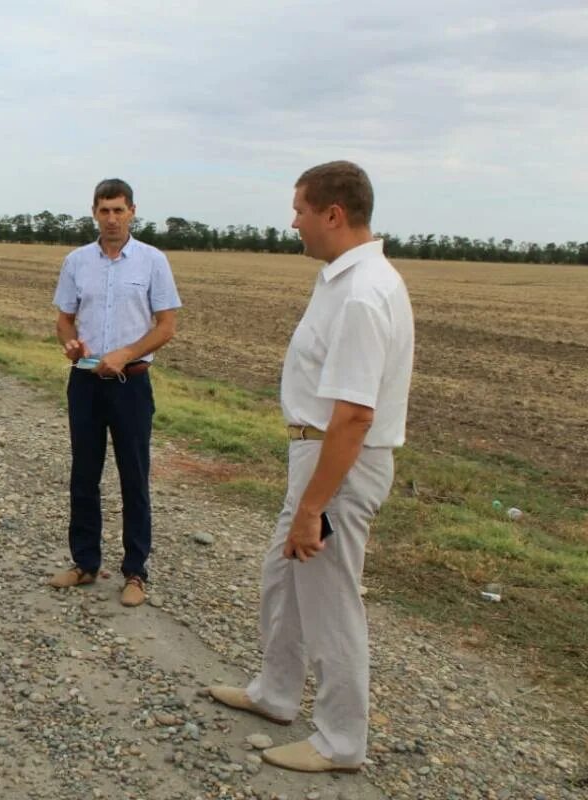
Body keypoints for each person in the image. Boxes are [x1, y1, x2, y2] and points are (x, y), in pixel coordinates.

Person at [207, 161, 414, 773]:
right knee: (284, 579)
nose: (292, 220)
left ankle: (341, 740)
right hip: (318, 456)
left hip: (339, 463)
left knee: (329, 599)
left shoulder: (362, 293)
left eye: (299, 209)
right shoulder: (340, 279)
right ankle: (275, 692)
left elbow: (353, 415)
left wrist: (313, 507)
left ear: (333, 214)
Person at [49, 178, 181, 607]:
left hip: (132, 384)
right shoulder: (76, 262)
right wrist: (69, 343)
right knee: (84, 475)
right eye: (104, 210)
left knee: (134, 478)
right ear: (93, 212)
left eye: (118, 210)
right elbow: (65, 319)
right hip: (85, 383)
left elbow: (166, 326)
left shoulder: (152, 261)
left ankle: (135, 572)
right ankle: (85, 563)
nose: (111, 219)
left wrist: (126, 353)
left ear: (132, 212)